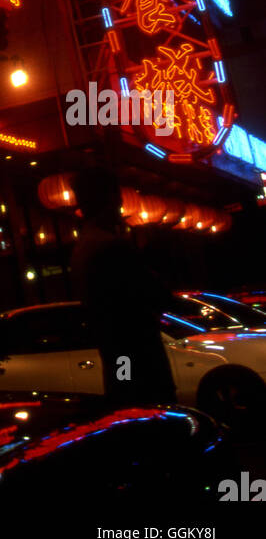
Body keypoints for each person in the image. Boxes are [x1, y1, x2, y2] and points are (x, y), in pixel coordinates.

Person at [70, 165, 176, 406]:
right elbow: (156, 296)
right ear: (109, 199)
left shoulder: (84, 246)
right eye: (117, 197)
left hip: (118, 360)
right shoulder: (112, 247)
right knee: (150, 417)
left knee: (127, 405)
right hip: (141, 362)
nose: (120, 205)